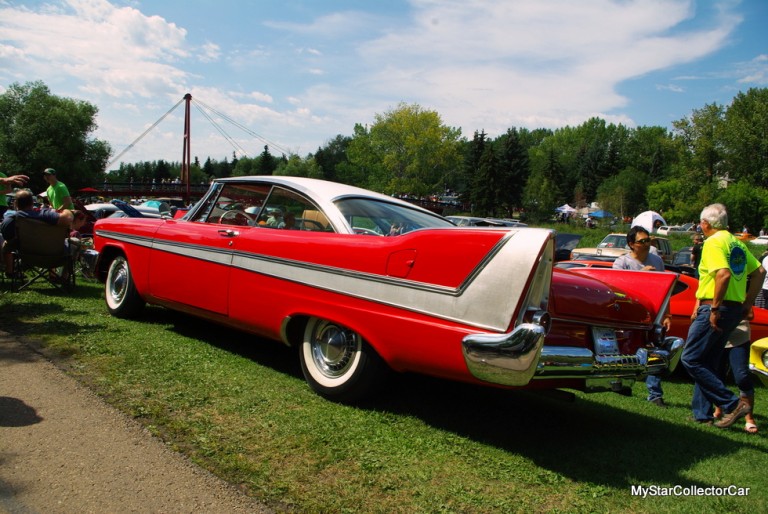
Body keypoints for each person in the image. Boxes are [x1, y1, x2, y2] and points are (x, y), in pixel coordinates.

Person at [681, 203, 765, 428]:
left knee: (690, 358)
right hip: (734, 309)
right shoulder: (736, 242)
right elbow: (759, 272)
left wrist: (715, 308)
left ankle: (731, 404)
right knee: (707, 360)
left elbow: (723, 275)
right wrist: (747, 303)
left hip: (716, 307)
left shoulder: (713, 242)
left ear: (705, 224)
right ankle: (703, 415)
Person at [613, 226, 671, 406]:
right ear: (631, 244)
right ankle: (620, 383)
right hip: (629, 315)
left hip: (652, 314)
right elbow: (616, 290)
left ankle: (655, 394)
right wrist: (641, 275)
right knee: (625, 349)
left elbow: (665, 290)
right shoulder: (621, 263)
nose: (647, 244)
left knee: (654, 350)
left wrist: (666, 314)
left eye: (648, 241)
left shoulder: (657, 261)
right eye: (642, 241)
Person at [1, 189, 74, 276]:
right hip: (54, 255)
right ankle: (62, 277)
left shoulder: (12, 219)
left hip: (26, 255)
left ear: (15, 203)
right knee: (75, 242)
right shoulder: (45, 214)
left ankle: (10, 271)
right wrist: (67, 211)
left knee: (7, 243)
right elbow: (67, 219)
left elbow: (7, 235)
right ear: (32, 203)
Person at [712, 319, 758, 434]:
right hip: (718, 333)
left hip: (739, 335)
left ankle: (749, 418)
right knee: (717, 374)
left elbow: (750, 314)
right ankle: (718, 411)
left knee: (741, 376)